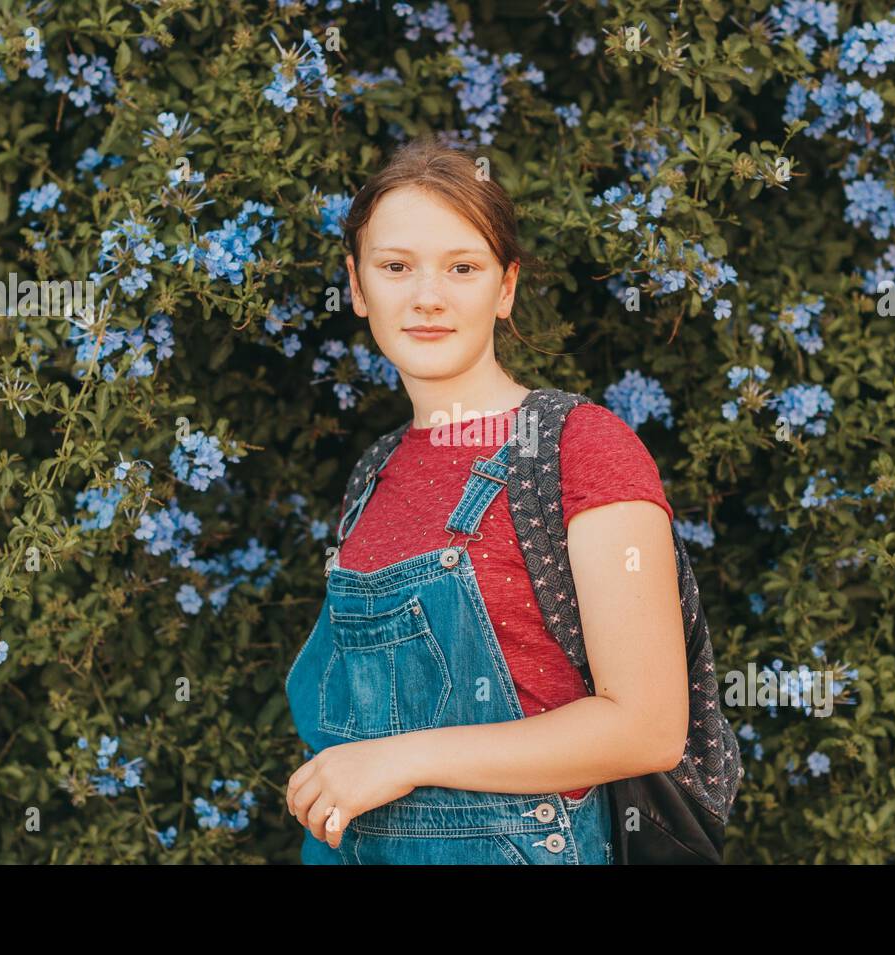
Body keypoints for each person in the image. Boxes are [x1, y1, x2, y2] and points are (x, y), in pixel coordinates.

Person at [284, 135, 689, 864]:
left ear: (504, 288)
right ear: (356, 284)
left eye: (462, 268)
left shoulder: (579, 448)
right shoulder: (372, 476)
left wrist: (396, 758)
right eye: (395, 266)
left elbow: (648, 726)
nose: (427, 297)